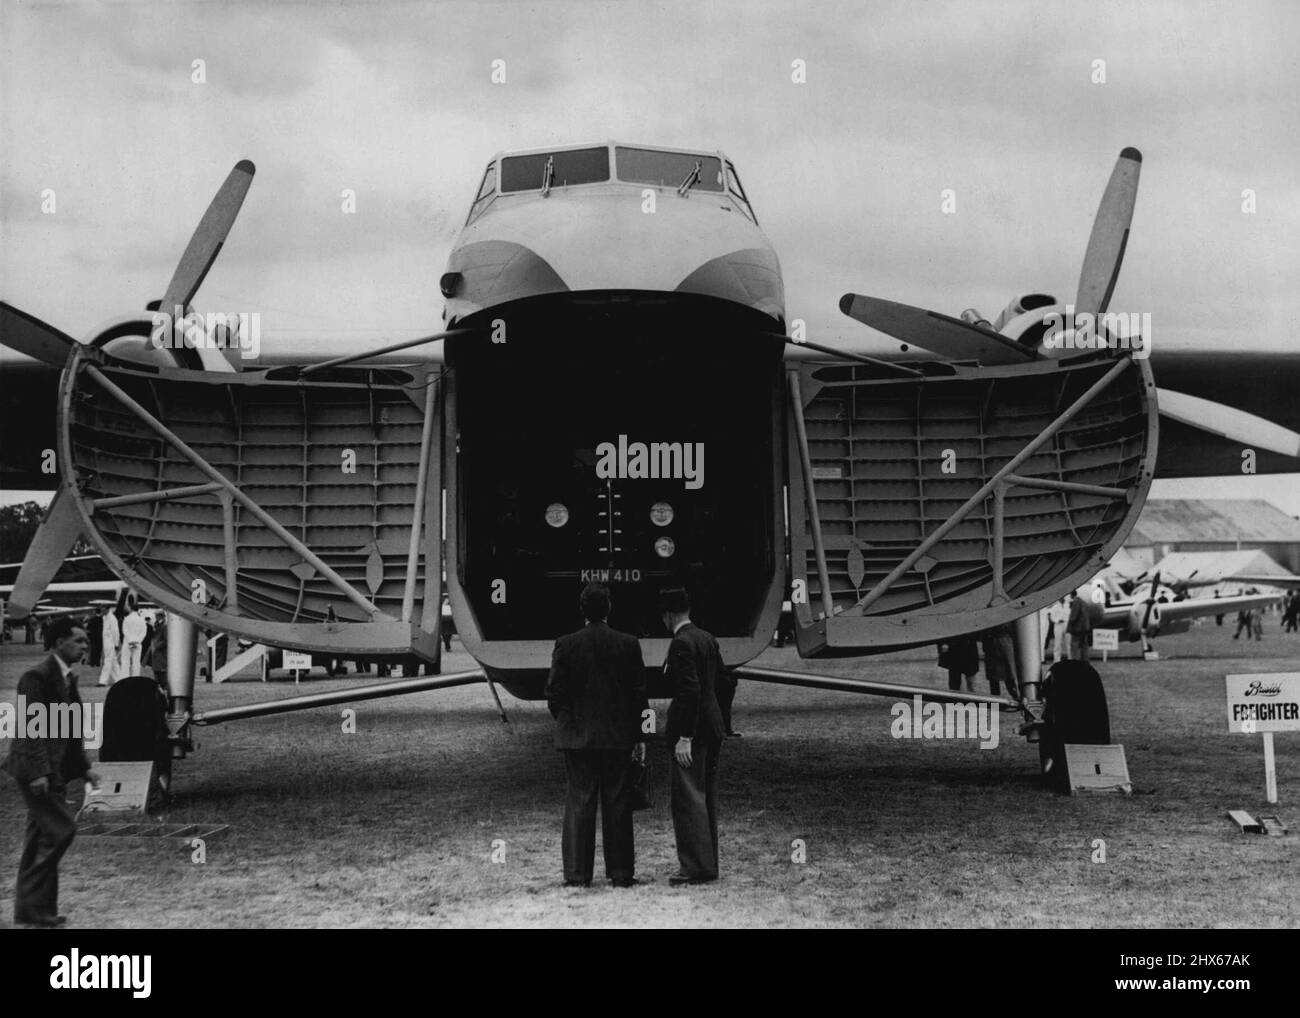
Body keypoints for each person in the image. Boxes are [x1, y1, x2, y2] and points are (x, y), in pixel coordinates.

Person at [545, 582, 647, 888]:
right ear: (609, 609)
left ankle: (577, 874)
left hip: (577, 736)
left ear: (582, 611)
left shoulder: (565, 644)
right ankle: (621, 873)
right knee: (618, 802)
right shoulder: (629, 644)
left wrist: (568, 722)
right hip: (618, 737)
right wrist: (642, 735)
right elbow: (640, 696)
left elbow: (554, 693)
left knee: (580, 801)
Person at [3, 616, 100, 927]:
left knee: (40, 838)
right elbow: (30, 729)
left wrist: (84, 770)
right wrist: (38, 773)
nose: (85, 646)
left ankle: (35, 913)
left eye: (86, 641)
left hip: (53, 769)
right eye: (79, 641)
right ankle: (33, 907)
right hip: (36, 770)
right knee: (62, 831)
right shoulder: (37, 677)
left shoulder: (67, 678)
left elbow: (69, 729)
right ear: (59, 643)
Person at [660, 587, 727, 886]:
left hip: (693, 731)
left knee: (688, 799)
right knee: (706, 799)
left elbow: (689, 692)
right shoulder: (707, 639)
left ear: (669, 614)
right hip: (712, 728)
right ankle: (708, 862)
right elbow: (725, 683)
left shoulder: (680, 644)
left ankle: (694, 867)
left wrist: (685, 735)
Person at [980, 623, 1020, 704]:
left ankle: (1018, 697)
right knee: (994, 676)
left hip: (1005, 642)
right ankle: (996, 700)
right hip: (991, 643)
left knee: (1010, 674)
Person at [121, 603, 147, 676]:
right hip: (137, 643)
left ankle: (124, 677)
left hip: (127, 642)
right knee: (136, 662)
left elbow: (125, 631)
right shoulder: (141, 620)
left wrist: (130, 640)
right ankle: (135, 677)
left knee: (126, 661)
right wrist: (138, 640)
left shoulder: (127, 619)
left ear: (131, 609)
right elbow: (144, 632)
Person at [1067, 591, 1092, 661]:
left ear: (1071, 595)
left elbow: (1073, 616)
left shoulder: (1076, 602)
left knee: (1074, 646)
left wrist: (1069, 626)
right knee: (1084, 647)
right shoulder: (1084, 602)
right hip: (1085, 629)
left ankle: (1074, 662)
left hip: (1077, 629)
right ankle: (1085, 662)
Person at [1048, 597, 1070, 662]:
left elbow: (1071, 615)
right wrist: (1057, 620)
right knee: (1057, 642)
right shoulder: (1055, 607)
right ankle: (1056, 659)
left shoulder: (1068, 605)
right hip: (1058, 625)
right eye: (1060, 598)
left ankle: (1070, 658)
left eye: (1063, 598)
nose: (1062, 599)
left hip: (1066, 624)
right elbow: (1052, 617)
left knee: (1069, 642)